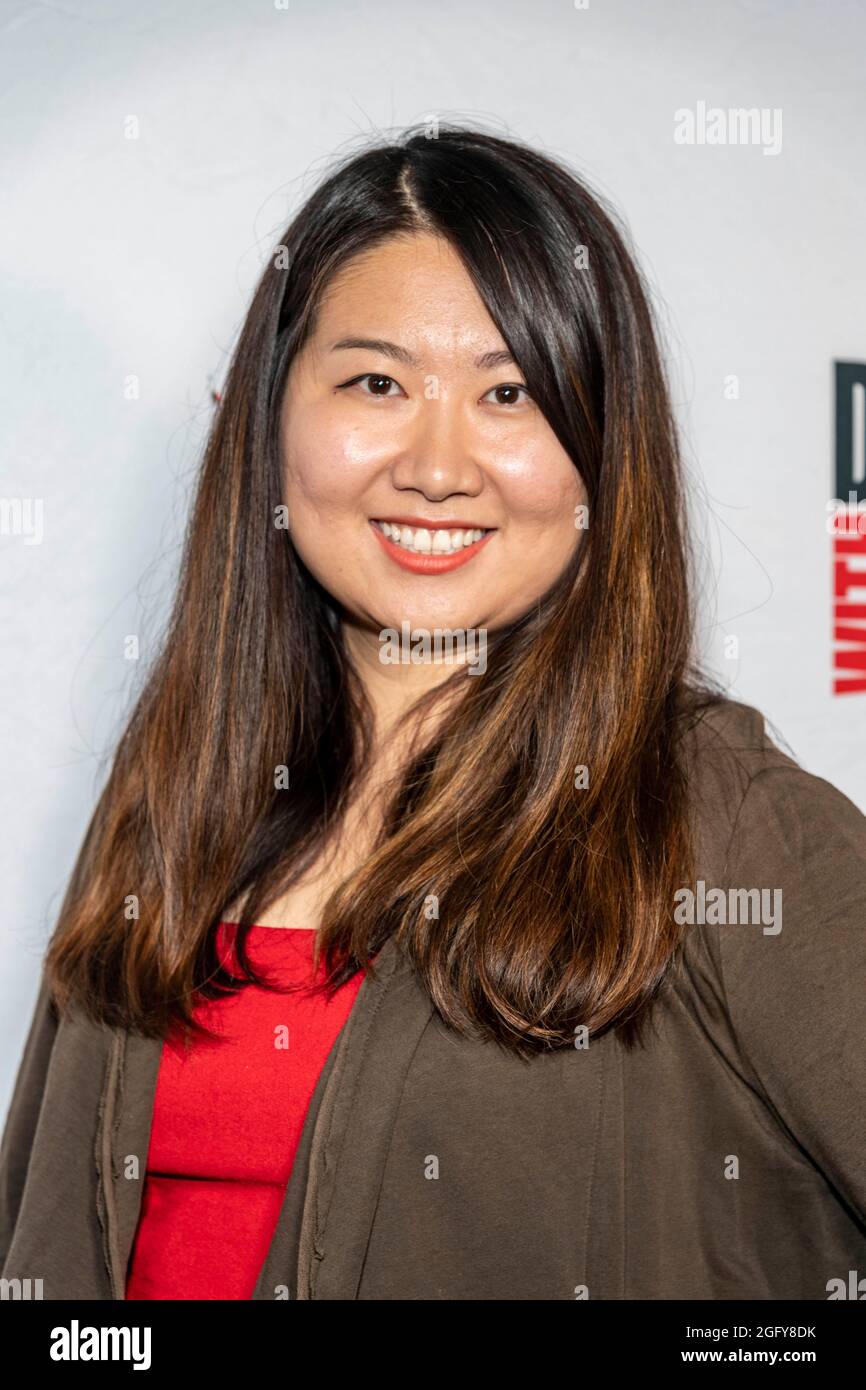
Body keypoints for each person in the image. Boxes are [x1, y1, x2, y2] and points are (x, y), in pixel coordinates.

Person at [1, 123, 864, 1302]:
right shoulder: (182, 783)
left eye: (508, 392)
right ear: (269, 417)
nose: (438, 463)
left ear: (599, 453)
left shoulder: (718, 816)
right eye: (375, 383)